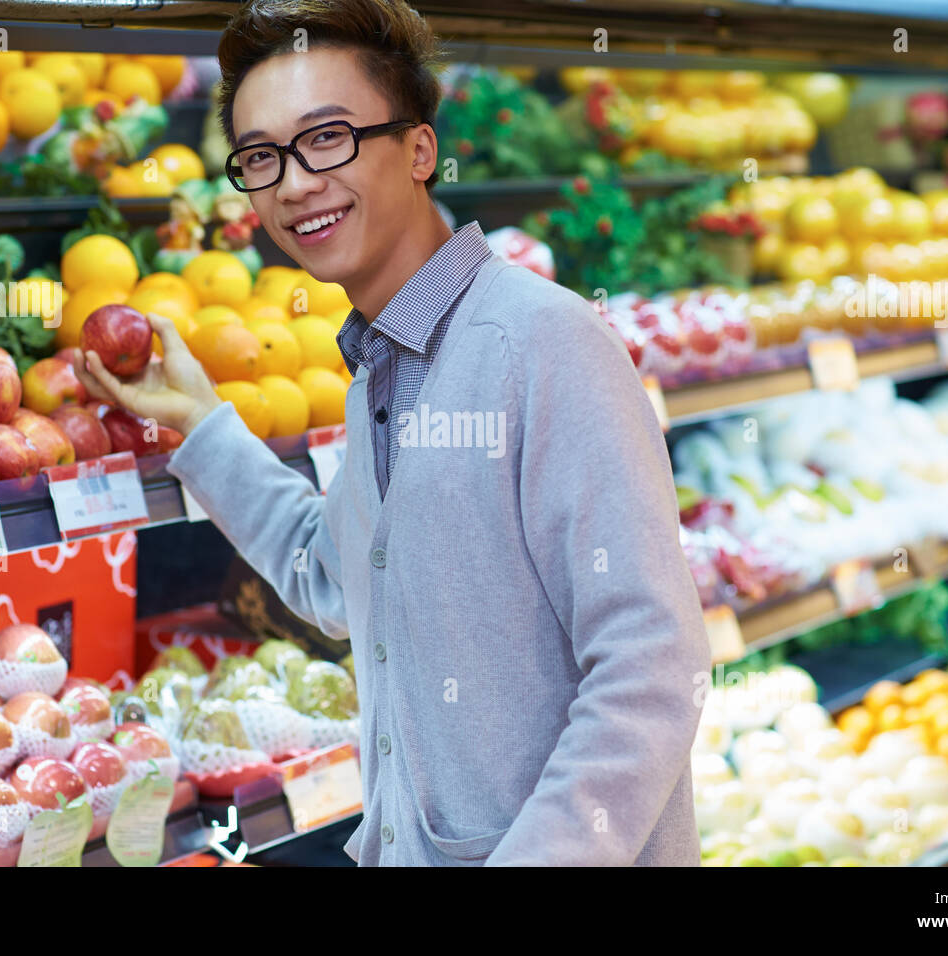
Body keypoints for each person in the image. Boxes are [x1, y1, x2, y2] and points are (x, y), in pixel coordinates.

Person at [74, 0, 710, 866]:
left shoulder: (545, 344)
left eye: (326, 137)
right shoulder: (380, 364)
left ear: (420, 149)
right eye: (261, 157)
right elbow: (332, 577)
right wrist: (200, 423)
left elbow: (652, 668)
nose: (293, 183)